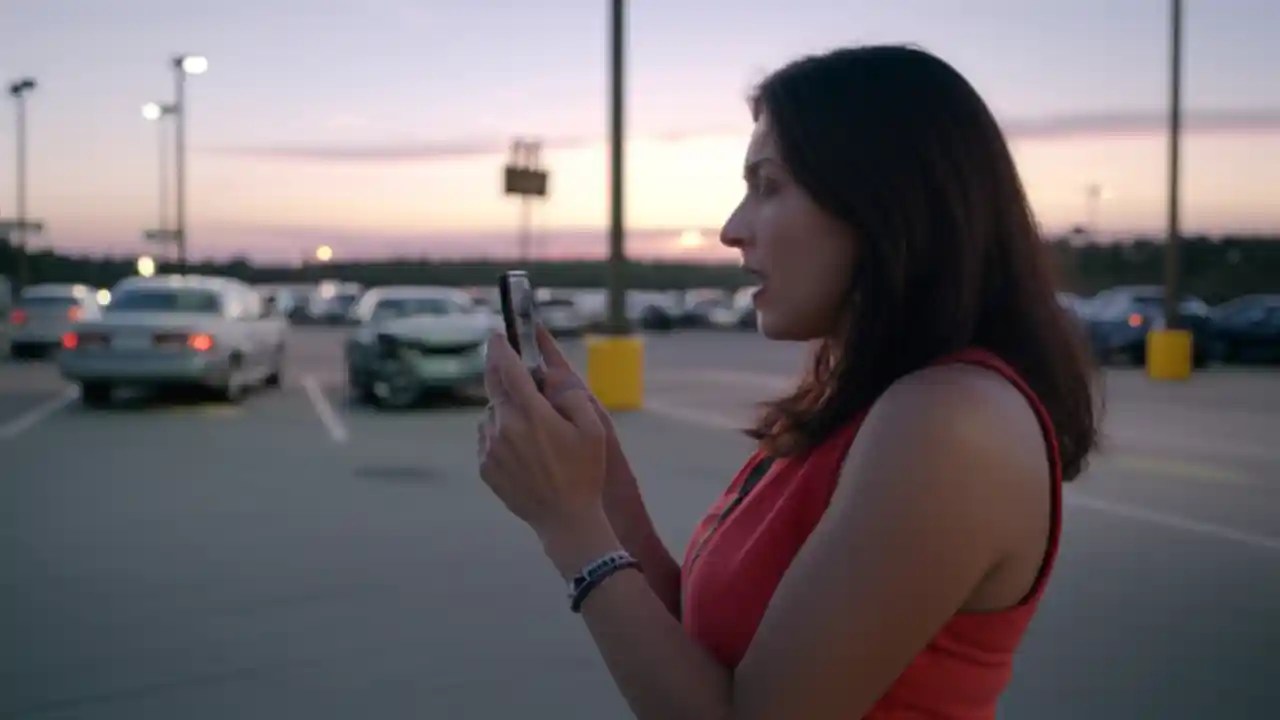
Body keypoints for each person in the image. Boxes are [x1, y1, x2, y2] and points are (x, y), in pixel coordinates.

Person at [476, 45, 1098, 720]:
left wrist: (568, 525)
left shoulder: (951, 421)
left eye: (769, 187)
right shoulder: (868, 403)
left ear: (882, 203)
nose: (731, 230)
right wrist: (598, 486)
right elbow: (703, 648)